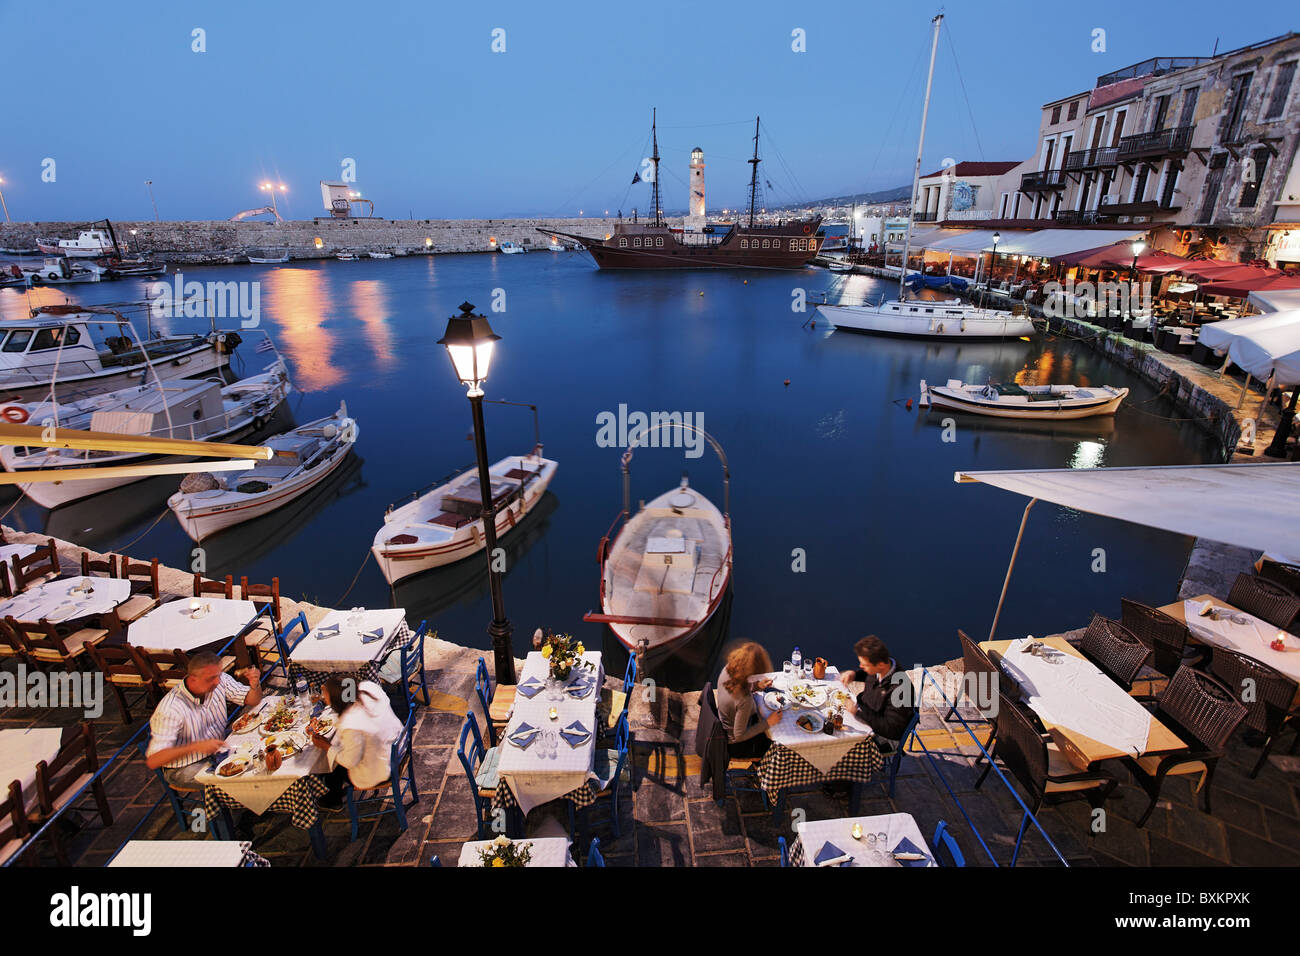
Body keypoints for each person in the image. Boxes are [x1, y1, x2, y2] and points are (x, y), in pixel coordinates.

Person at [145, 652, 261, 788]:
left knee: (258, 751)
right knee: (237, 782)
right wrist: (196, 747)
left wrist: (254, 685)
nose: (217, 682)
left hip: (219, 747)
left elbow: (253, 700)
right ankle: (236, 806)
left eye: (218, 675)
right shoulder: (170, 709)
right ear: (193, 679)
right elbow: (154, 760)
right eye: (212, 678)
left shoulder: (218, 679)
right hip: (184, 767)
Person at [310, 677, 404, 811]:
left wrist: (326, 747)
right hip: (397, 745)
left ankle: (333, 799)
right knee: (339, 747)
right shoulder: (369, 688)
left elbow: (350, 762)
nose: (324, 698)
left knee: (331, 762)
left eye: (326, 696)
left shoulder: (350, 723)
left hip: (382, 767)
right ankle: (334, 791)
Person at [838, 635, 915, 752]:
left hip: (883, 738)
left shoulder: (901, 692)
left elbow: (891, 729)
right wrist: (854, 674)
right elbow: (869, 673)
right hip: (866, 713)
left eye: (864, 665)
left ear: (880, 664)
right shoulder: (884, 666)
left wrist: (857, 711)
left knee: (838, 745)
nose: (861, 666)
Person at [713, 641, 782, 759]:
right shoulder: (744, 700)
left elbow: (740, 684)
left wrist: (757, 685)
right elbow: (739, 736)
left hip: (726, 722)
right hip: (736, 746)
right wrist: (768, 722)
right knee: (778, 746)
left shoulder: (728, 668)